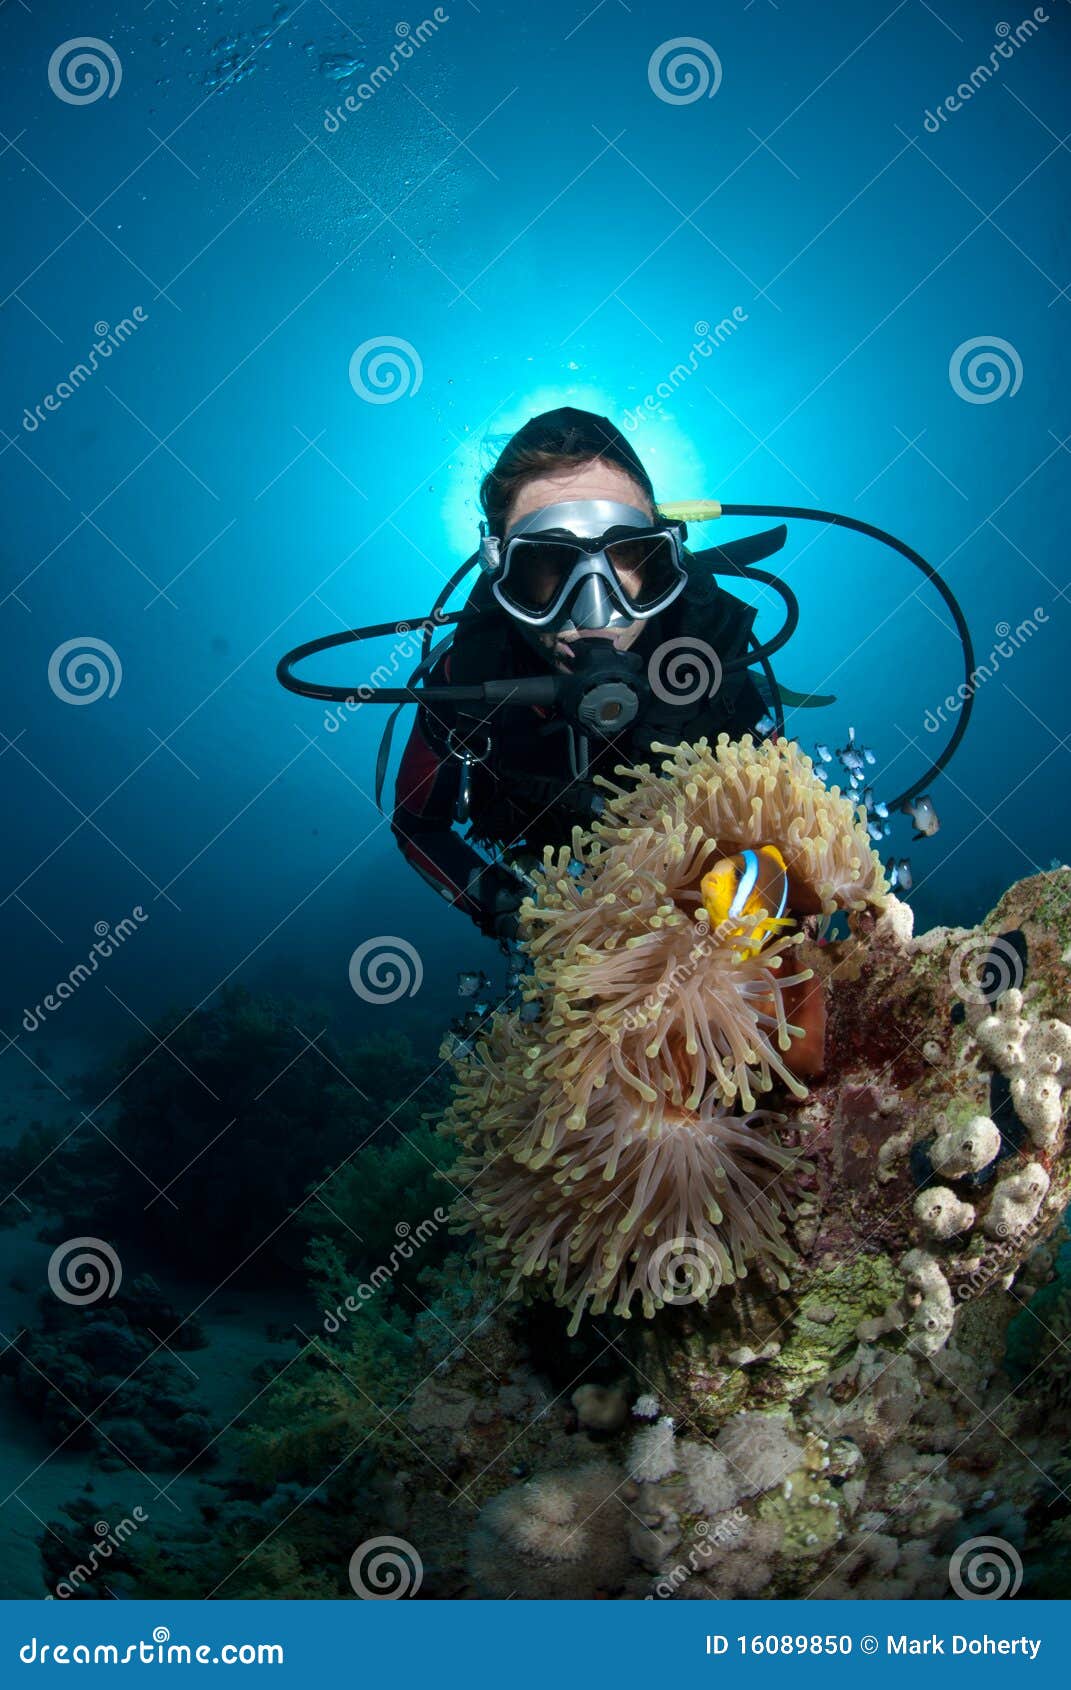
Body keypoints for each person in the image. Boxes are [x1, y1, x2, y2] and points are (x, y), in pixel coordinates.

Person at [391, 408, 772, 944]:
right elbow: (417, 827)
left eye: (627, 554)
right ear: (502, 570)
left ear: (664, 558)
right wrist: (506, 909)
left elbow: (776, 809)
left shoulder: (710, 645)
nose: (595, 612)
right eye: (547, 565)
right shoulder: (468, 677)